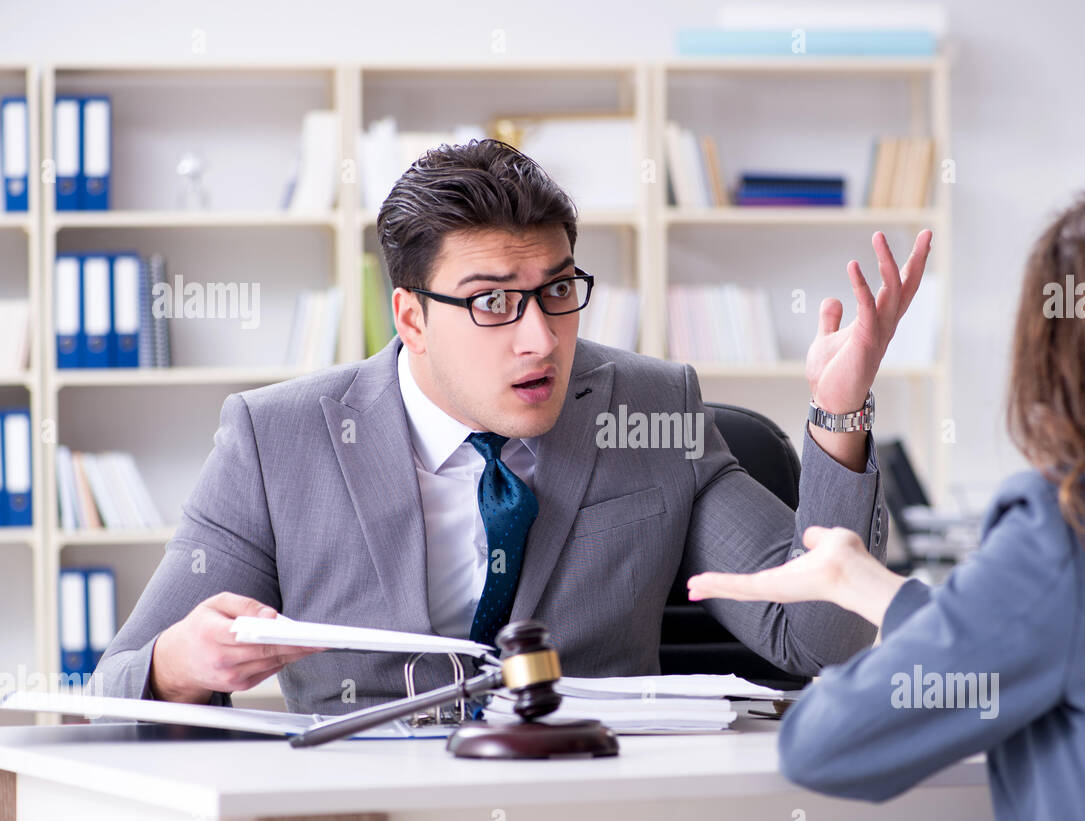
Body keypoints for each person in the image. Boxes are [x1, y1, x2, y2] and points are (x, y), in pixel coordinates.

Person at [93, 138, 931, 714]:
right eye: (493, 301)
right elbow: (109, 693)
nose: (541, 338)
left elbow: (821, 635)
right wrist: (177, 665)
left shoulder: (649, 407)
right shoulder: (277, 442)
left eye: (559, 291)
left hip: (585, 818)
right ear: (410, 318)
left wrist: (838, 411)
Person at [687, 170, 1085, 821]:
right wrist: (877, 591)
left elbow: (824, 743)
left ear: (1068, 364)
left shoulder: (1075, 530)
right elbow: (1061, 641)